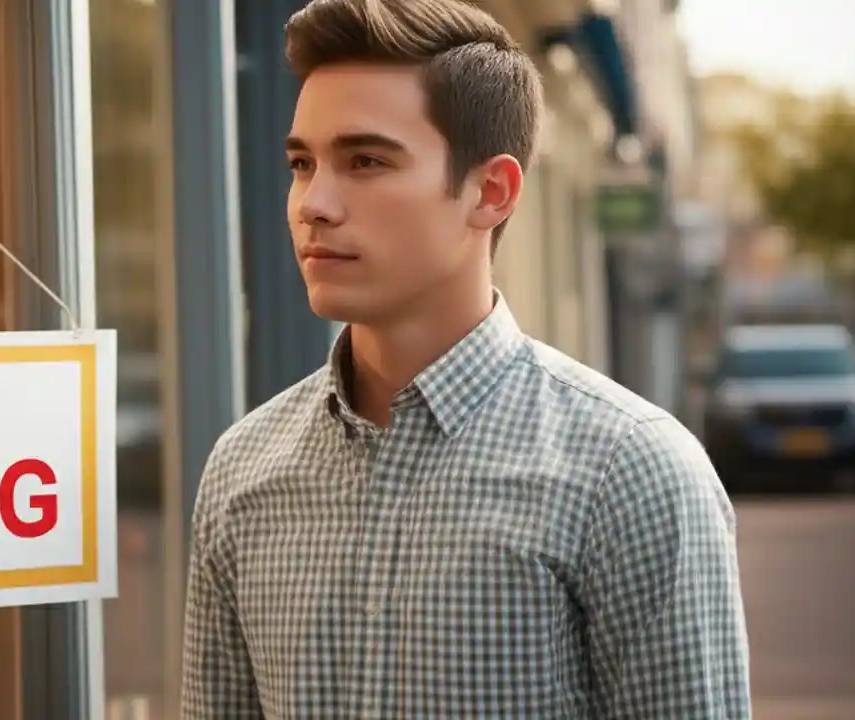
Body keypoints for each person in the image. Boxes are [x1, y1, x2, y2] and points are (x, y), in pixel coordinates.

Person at [181, 0, 751, 717]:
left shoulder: (629, 472)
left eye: (364, 161)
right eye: (302, 163)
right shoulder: (243, 471)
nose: (313, 203)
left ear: (491, 190)